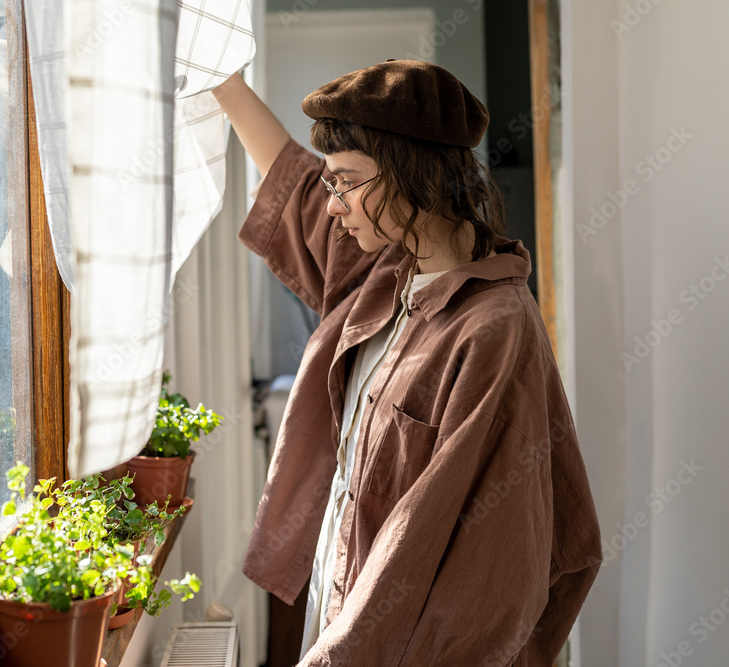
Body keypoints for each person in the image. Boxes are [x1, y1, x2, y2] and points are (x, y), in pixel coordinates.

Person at [211, 60, 602, 665]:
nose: (333, 205)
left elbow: (457, 560)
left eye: (344, 181)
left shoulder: (493, 332)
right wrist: (222, 79)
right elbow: (289, 181)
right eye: (330, 183)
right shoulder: (383, 269)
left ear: (409, 174)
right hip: (342, 605)